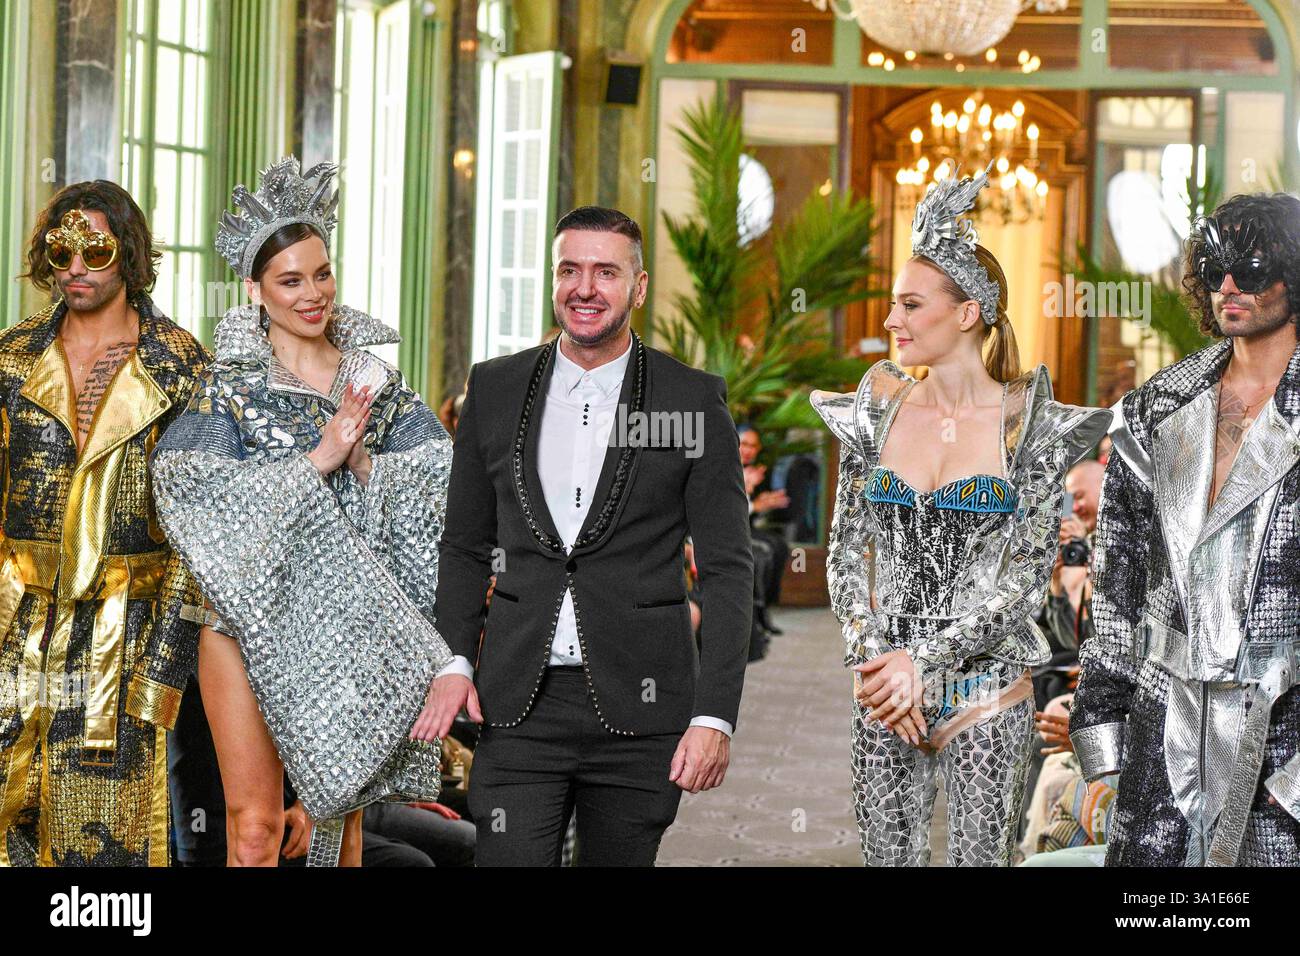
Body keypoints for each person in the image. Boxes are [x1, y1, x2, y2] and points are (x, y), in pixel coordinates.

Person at [420, 205, 753, 866]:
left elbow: (727, 568)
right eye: (569, 269)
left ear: (640, 286)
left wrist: (714, 717)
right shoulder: (495, 387)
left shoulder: (689, 400)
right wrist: (455, 659)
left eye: (606, 271)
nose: (585, 287)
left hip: (642, 707)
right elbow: (463, 544)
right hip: (516, 705)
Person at [150, 157, 454, 866]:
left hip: (346, 628)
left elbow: (444, 481)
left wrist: (364, 462)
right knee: (254, 827)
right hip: (241, 626)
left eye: (322, 273)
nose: (312, 293)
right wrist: (316, 461)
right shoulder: (226, 390)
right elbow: (187, 493)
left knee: (336, 823)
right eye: (291, 280)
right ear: (255, 289)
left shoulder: (374, 381)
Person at [811, 164, 1110, 866]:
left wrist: (923, 661)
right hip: (882, 687)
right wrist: (876, 665)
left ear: (967, 312)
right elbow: (845, 554)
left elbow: (1025, 581)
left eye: (912, 305)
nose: (892, 321)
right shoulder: (876, 412)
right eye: (895, 304)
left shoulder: (1025, 426)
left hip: (985, 692)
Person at [1071, 193, 1300, 866]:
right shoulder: (1154, 407)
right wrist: (1101, 734)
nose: (1229, 285)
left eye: (1252, 267)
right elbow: (1117, 587)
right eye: (1213, 266)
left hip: (1283, 737)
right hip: (1160, 733)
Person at [0, 181, 208, 866]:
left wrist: (163, 671)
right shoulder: (10, 358)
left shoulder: (180, 366)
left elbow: (196, 536)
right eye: (61, 251)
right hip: (15, 632)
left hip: (126, 637)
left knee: (107, 853)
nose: (76, 268)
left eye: (97, 250)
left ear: (129, 252)